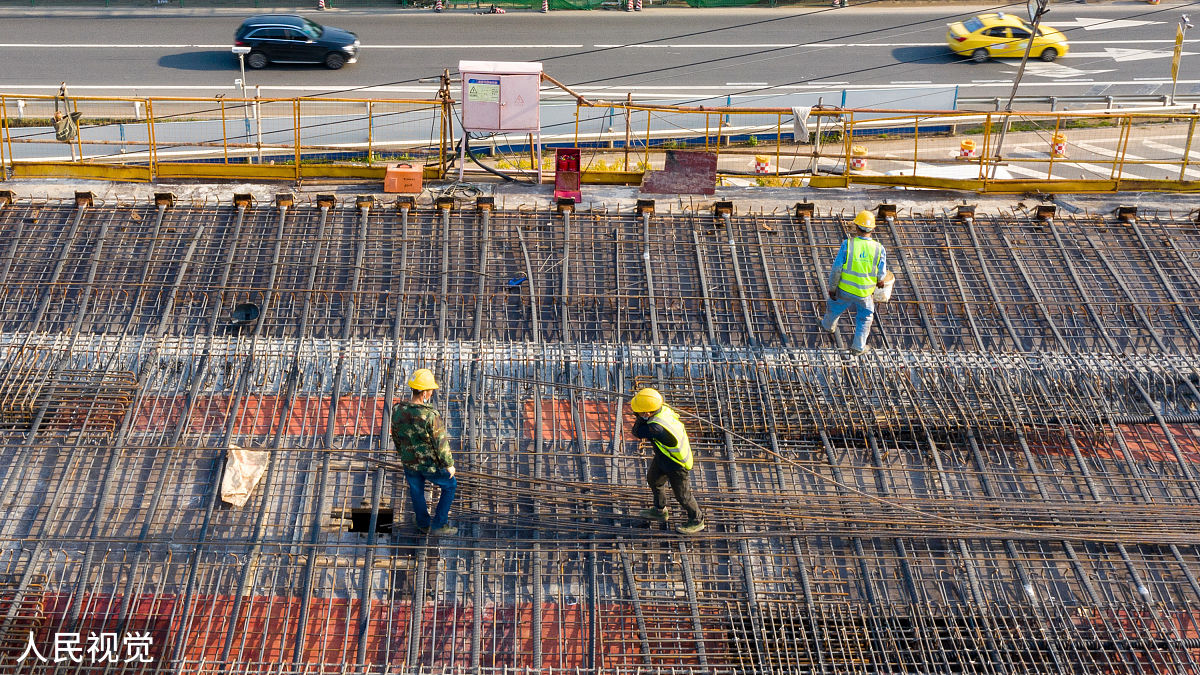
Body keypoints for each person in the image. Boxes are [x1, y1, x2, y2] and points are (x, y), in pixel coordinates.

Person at [630, 387, 705, 535]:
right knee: (654, 480)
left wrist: (640, 417)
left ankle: (697, 520)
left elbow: (636, 431)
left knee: (683, 496)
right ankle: (660, 510)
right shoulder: (662, 409)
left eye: (638, 411)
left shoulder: (656, 428)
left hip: (677, 464)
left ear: (647, 413)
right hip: (663, 457)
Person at [391, 368, 457, 536]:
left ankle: (423, 523)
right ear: (425, 393)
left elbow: (396, 436)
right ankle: (439, 525)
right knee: (450, 486)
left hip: (409, 462)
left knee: (416, 491)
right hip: (429, 464)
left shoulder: (398, 410)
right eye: (431, 391)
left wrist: (404, 454)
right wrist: (449, 465)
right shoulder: (430, 415)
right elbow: (440, 443)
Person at [820, 210, 887, 355]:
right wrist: (880, 282)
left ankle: (828, 326)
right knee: (865, 318)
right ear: (873, 229)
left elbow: (837, 268)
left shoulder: (848, 244)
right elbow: (882, 272)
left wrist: (832, 288)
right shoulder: (879, 248)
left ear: (856, 227)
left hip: (844, 289)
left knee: (834, 306)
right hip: (865, 292)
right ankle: (858, 347)